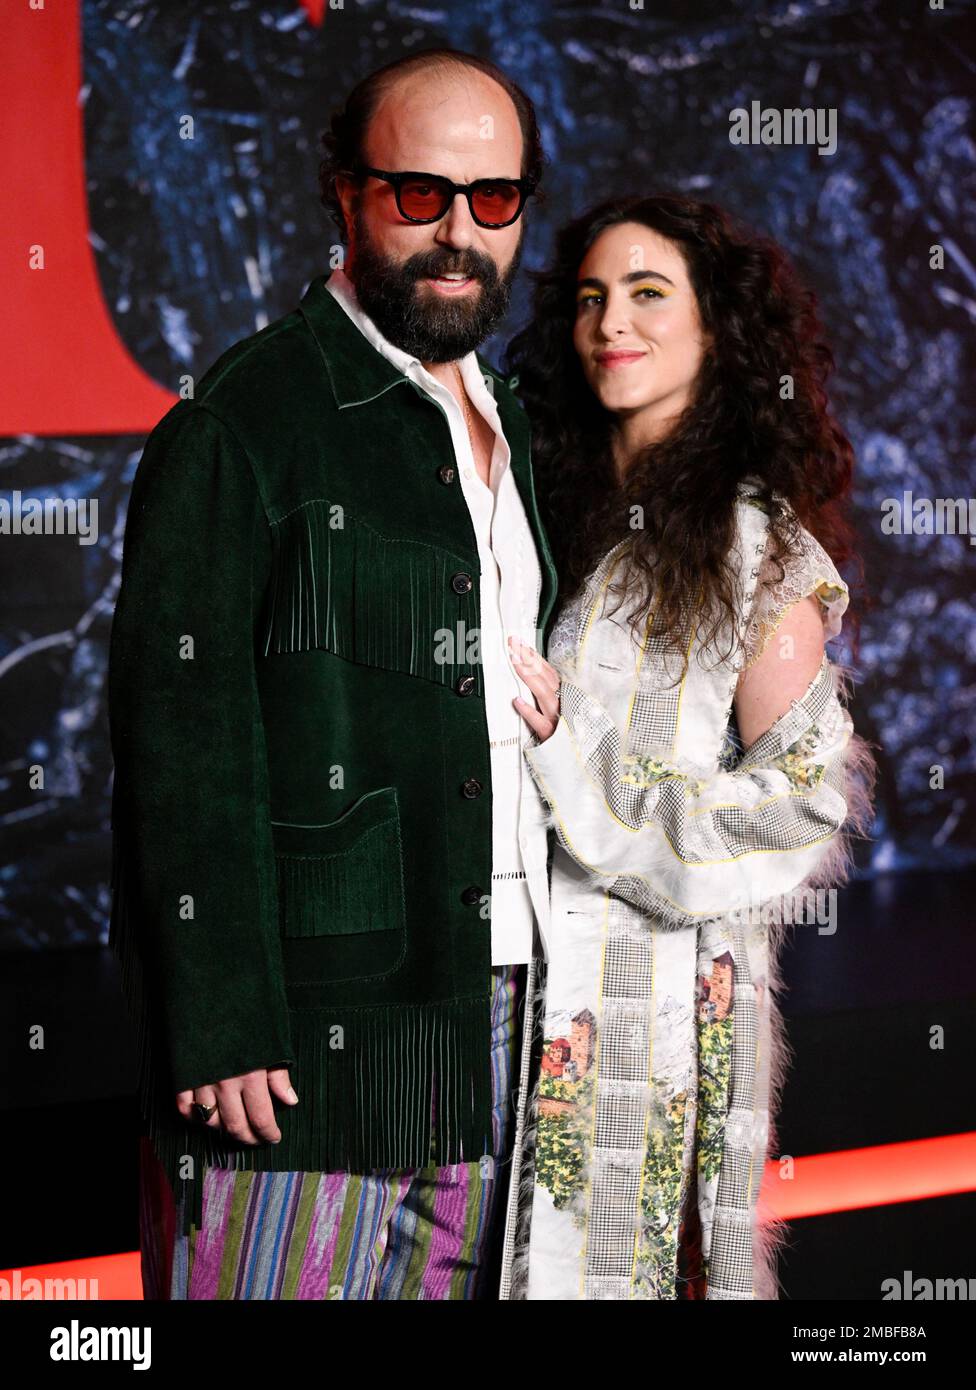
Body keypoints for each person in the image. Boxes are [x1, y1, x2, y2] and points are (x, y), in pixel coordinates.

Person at [108, 47, 561, 1300]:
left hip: (503, 1001)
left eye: (494, 199)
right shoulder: (242, 418)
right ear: (343, 196)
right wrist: (222, 1017)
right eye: (419, 195)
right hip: (301, 1033)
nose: (458, 233)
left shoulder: (516, 423)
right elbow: (179, 734)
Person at [497, 195, 877, 1300]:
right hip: (508, 993)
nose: (611, 320)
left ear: (718, 330)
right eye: (590, 298)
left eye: (649, 294)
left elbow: (801, 803)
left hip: (654, 1005)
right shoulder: (532, 509)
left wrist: (580, 773)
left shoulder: (756, 549)